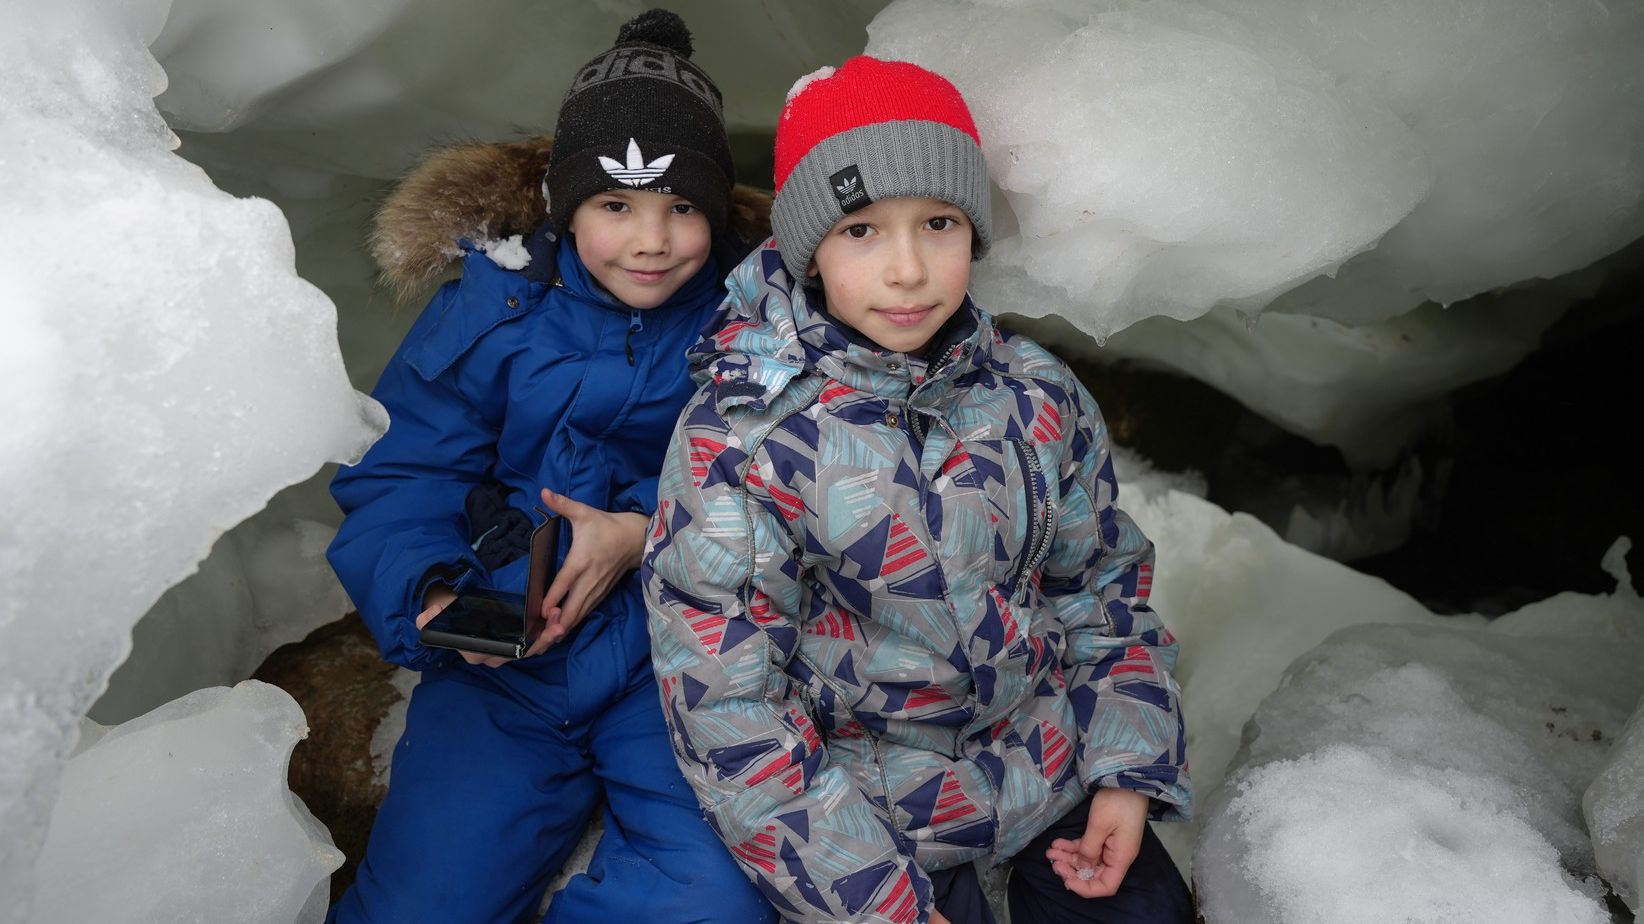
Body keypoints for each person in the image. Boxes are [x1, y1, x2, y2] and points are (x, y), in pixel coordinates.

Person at [643, 57, 1194, 924]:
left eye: (937, 223)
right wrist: (870, 900)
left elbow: (1102, 591)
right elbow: (729, 703)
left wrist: (1124, 774)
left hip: (1052, 777)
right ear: (808, 250)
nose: (908, 268)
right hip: (871, 818)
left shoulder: (1036, 397)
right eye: (860, 230)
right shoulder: (742, 440)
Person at [325, 11, 775, 924]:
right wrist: (430, 596)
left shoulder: (757, 324)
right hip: (509, 664)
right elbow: (404, 473)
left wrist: (654, 535)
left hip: (686, 659)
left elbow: (801, 482)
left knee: (718, 899)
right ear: (565, 204)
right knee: (422, 903)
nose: (650, 240)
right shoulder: (492, 314)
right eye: (616, 206)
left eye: (680, 206)